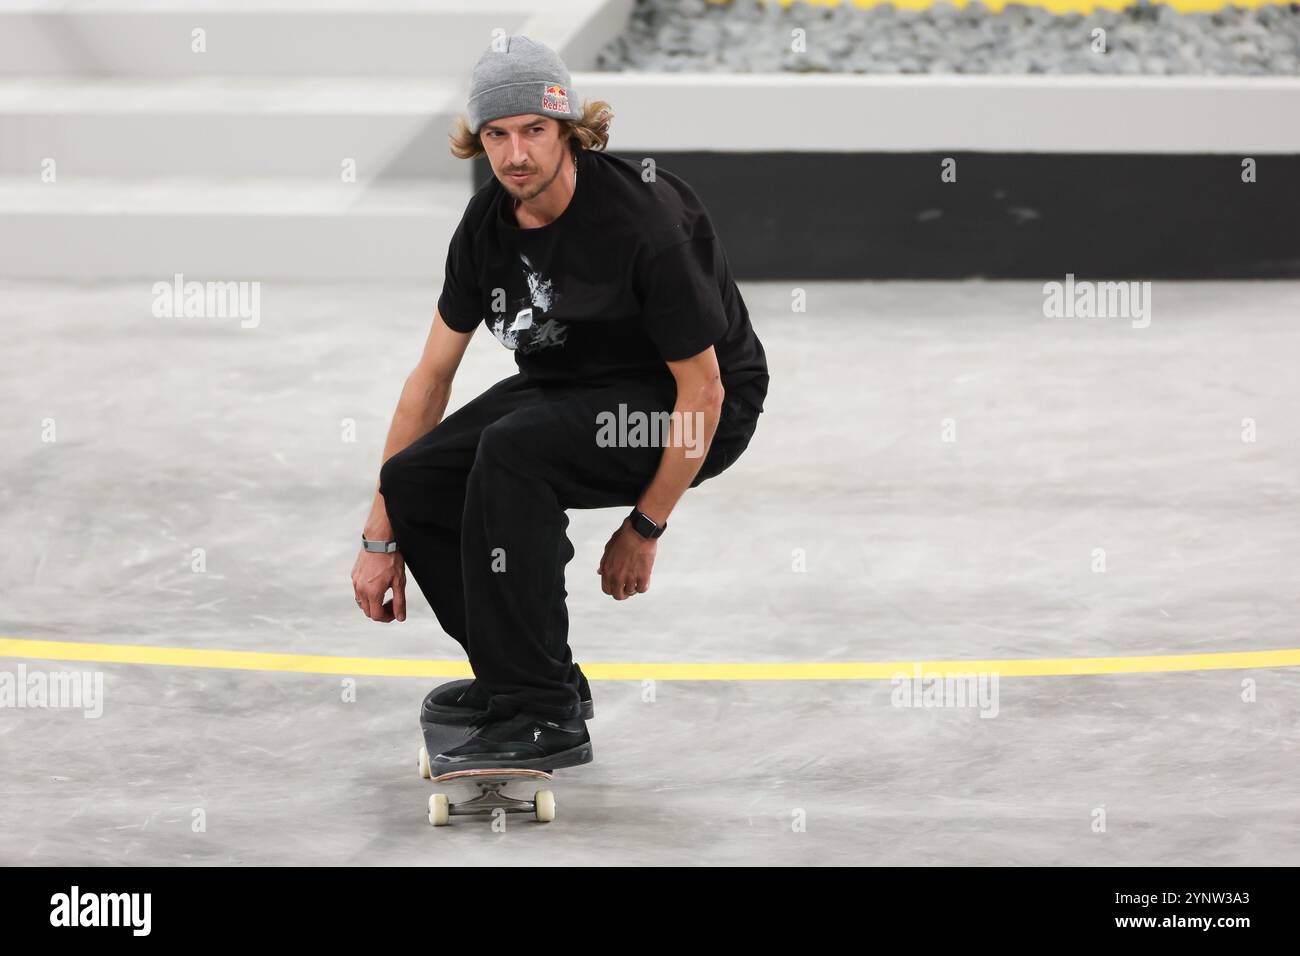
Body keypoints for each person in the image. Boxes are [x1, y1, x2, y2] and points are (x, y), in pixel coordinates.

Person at [350, 35, 769, 773]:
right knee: (417, 478)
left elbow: (703, 388)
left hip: (685, 406)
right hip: (575, 382)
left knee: (514, 451)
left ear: (569, 129)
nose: (516, 155)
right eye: (497, 134)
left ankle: (543, 712)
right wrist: (379, 538)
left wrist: (645, 526)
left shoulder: (642, 223)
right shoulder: (486, 225)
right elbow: (430, 378)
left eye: (535, 131)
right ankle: (527, 675)